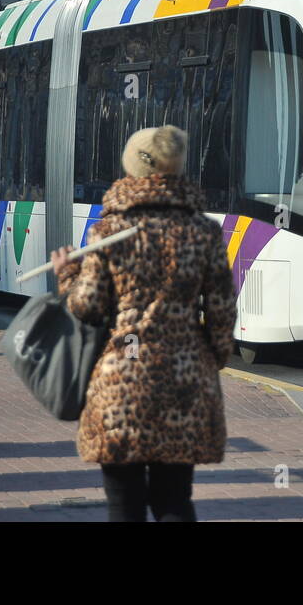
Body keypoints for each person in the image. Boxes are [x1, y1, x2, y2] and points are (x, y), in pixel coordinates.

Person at [49, 125, 236, 522]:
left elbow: (86, 307)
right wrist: (210, 358)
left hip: (122, 383)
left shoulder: (108, 233)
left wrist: (66, 274)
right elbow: (222, 310)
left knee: (125, 506)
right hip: (185, 384)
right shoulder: (203, 232)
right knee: (174, 501)